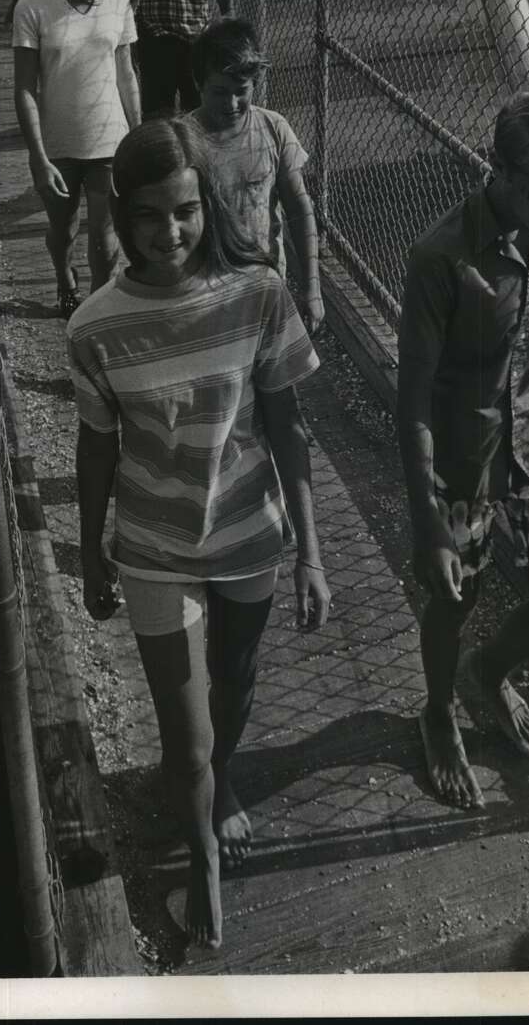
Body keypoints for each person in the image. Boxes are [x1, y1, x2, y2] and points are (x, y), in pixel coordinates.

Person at [69, 118, 330, 951]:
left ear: (206, 206)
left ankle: (221, 784)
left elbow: (287, 426)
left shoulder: (258, 295)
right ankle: (205, 858)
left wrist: (312, 554)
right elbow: (96, 445)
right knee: (184, 739)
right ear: (121, 215)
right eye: (148, 216)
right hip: (155, 549)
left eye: (184, 211)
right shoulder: (94, 327)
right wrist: (91, 549)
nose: (169, 232)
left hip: (248, 534)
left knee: (236, 679)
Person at [396, 90, 529, 810]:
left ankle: (486, 671)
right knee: (455, 598)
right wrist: (428, 523)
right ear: (500, 170)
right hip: (464, 459)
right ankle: (438, 712)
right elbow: (413, 402)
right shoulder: (440, 257)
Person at [12, 0, 141, 316]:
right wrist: (38, 158)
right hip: (59, 145)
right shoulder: (33, 4)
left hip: (110, 140)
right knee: (63, 228)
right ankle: (64, 277)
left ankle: (96, 314)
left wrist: (137, 136)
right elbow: (25, 88)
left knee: (105, 239)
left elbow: (126, 74)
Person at [185, 18, 324, 335]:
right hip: (204, 292)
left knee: (272, 365)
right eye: (220, 92)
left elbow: (299, 209)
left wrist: (312, 288)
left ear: (255, 83)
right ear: (198, 83)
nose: (231, 103)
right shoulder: (183, 141)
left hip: (265, 288)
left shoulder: (274, 129)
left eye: (241, 91)